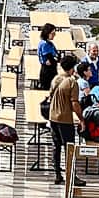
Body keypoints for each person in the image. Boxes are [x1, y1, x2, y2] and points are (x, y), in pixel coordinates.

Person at [47, 51, 83, 185]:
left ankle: (57, 174)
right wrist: (81, 119)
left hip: (52, 116)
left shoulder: (56, 78)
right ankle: (72, 176)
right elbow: (75, 103)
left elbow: (50, 94)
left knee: (56, 146)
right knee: (70, 147)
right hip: (65, 119)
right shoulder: (72, 82)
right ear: (72, 68)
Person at [34, 23, 60, 90]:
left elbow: (58, 56)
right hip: (47, 71)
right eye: (52, 33)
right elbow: (50, 59)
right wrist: (55, 58)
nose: (54, 35)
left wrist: (56, 58)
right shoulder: (44, 44)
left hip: (52, 69)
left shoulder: (50, 43)